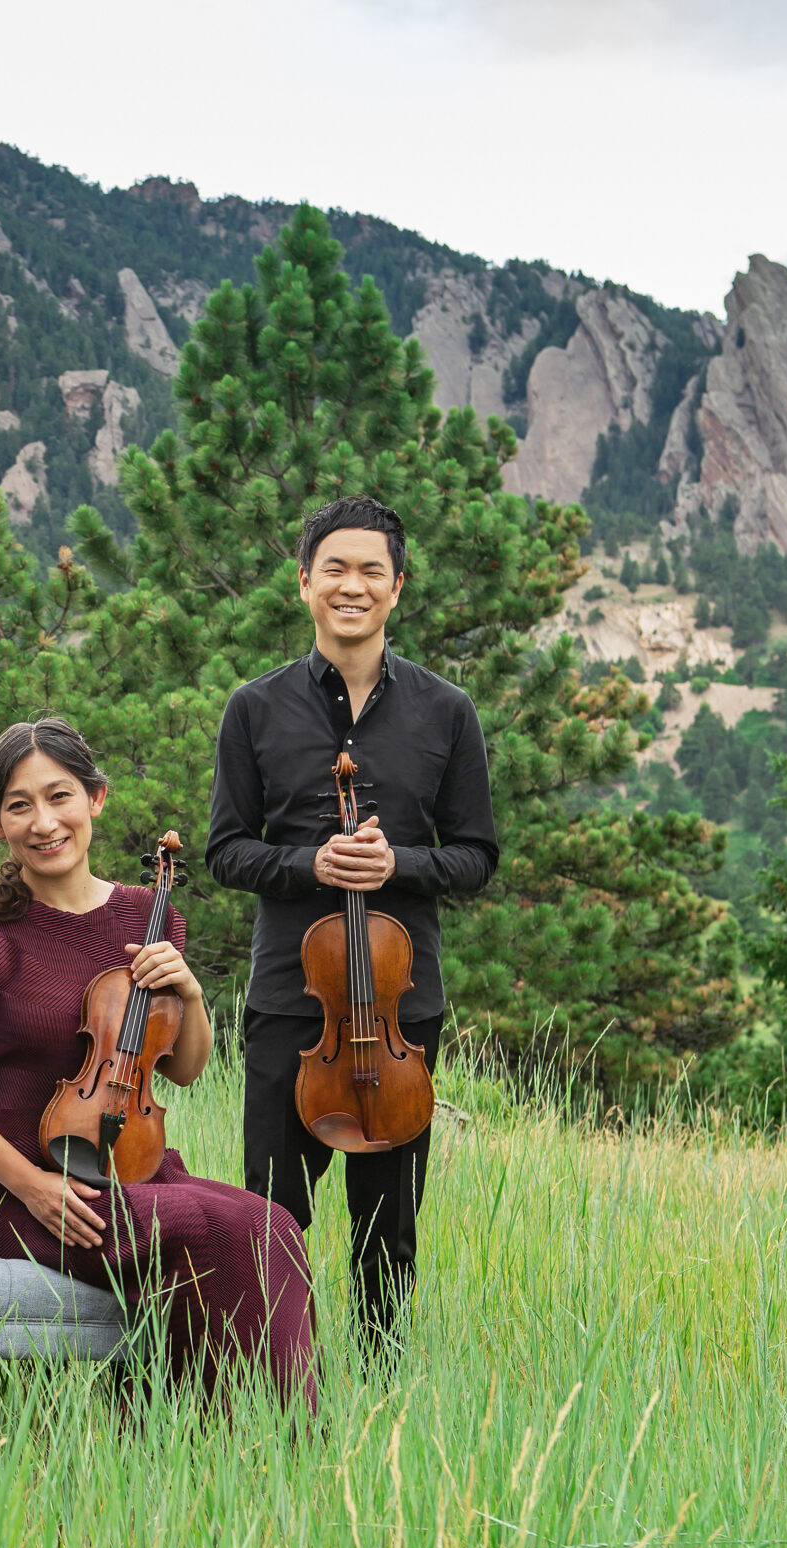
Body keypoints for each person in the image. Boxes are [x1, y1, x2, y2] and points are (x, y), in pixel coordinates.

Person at [0, 718, 318, 1402]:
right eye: (19, 805)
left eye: (60, 796)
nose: (44, 822)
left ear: (95, 799)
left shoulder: (148, 916)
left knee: (274, 1224)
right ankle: (231, 1430)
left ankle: (251, 1431)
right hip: (29, 1195)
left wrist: (189, 992)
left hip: (135, 1171)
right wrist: (31, 1186)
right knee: (231, 1231)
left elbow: (183, 1069)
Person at [206, 495, 497, 1360]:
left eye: (372, 569)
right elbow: (226, 849)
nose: (352, 585)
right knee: (271, 1217)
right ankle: (270, 1385)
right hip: (292, 1002)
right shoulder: (254, 708)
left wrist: (398, 864)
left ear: (397, 587)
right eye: (334, 567)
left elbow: (477, 855)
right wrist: (312, 865)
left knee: (388, 1228)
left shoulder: (447, 711)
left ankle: (381, 1387)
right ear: (304, 582)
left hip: (402, 1009)